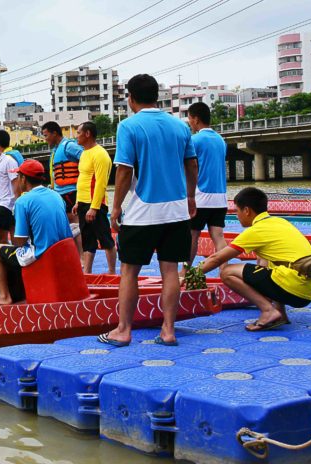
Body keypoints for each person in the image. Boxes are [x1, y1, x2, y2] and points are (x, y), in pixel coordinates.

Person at [101, 73, 198, 347]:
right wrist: (190, 198)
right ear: (158, 96)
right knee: (170, 270)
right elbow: (191, 165)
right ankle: (168, 331)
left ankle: (123, 329)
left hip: (142, 211)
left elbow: (124, 170)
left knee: (129, 271)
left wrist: (116, 206)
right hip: (176, 211)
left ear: (130, 98)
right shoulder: (180, 127)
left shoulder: (128, 126)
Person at [197, 188, 311, 330]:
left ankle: (268, 311)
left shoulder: (256, 230)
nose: (236, 215)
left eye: (237, 211)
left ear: (247, 211)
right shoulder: (280, 222)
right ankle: (281, 313)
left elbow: (216, 259)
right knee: (268, 263)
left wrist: (187, 275)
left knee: (227, 272)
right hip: (309, 291)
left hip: (293, 288)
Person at [0, 160, 73, 306]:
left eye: (18, 177)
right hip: (62, 251)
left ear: (23, 179)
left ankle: (4, 296)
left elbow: (20, 241)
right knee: (12, 250)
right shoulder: (56, 195)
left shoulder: (23, 201)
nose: (17, 180)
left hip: (41, 255)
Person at [186, 102, 228, 273]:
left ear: (196, 119)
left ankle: (186, 270)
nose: (189, 122)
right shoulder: (221, 140)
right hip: (220, 197)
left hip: (200, 196)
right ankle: (225, 270)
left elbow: (189, 165)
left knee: (192, 236)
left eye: (189, 118)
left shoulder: (194, 140)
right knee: (218, 236)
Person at [74, 121, 117, 274]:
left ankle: (112, 272)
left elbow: (101, 183)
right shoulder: (84, 153)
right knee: (87, 241)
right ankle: (88, 272)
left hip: (95, 205)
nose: (76, 136)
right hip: (84, 203)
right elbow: (83, 179)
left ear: (87, 134)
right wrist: (78, 202)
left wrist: (94, 207)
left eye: (78, 132)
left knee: (105, 239)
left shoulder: (100, 154)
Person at [42, 120, 84, 254]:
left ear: (55, 133)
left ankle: (82, 257)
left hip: (71, 191)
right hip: (59, 193)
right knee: (66, 225)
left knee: (76, 224)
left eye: (46, 135)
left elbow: (86, 159)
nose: (45, 139)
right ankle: (74, 255)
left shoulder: (68, 146)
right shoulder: (55, 150)